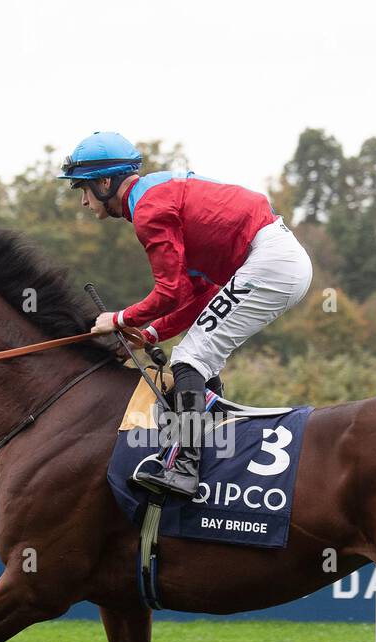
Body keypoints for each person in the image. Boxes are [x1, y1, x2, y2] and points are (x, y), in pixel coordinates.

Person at [59, 131, 313, 499]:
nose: (82, 201)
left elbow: (169, 293)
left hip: (271, 262)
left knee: (191, 358)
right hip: (275, 259)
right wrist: (148, 336)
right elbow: (196, 294)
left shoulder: (149, 209)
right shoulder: (152, 197)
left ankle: (185, 468)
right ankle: (215, 454)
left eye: (82, 188)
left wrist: (119, 319)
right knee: (199, 356)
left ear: (104, 182)